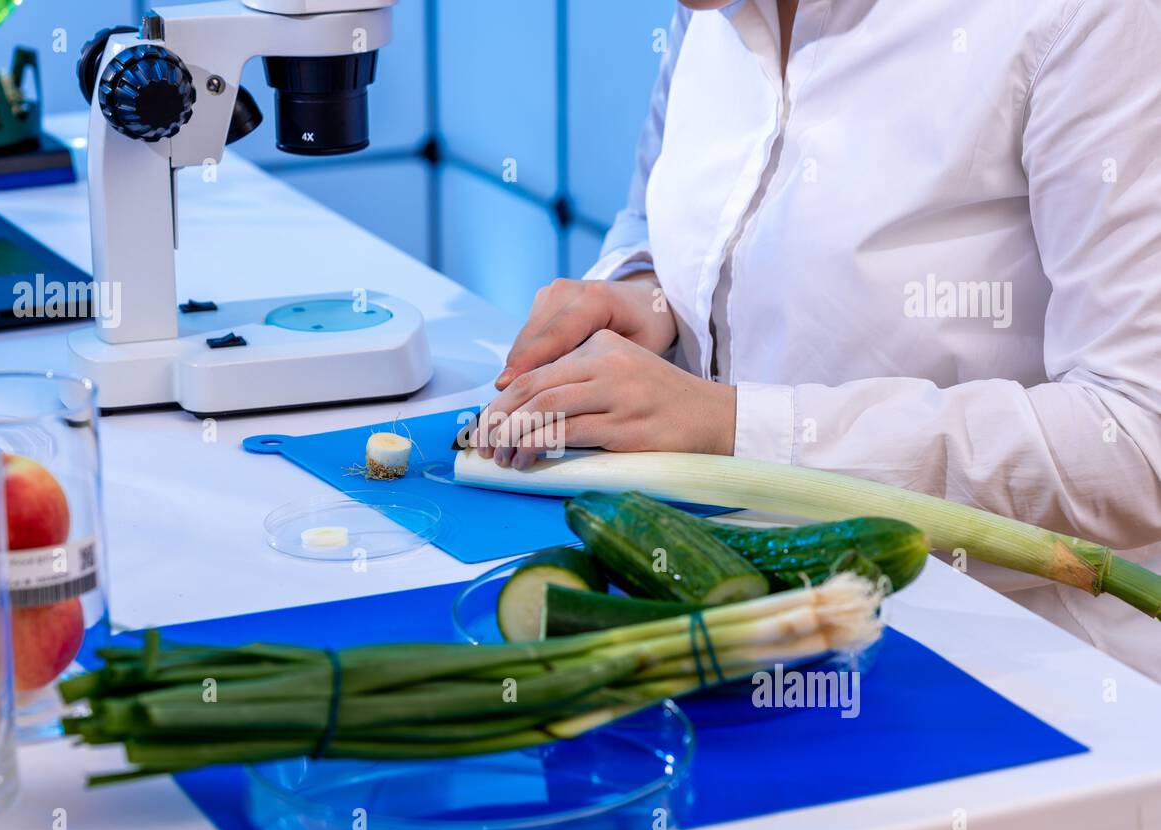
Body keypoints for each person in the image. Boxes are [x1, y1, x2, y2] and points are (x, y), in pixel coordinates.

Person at [471, 0, 1161, 679]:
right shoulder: (705, 9)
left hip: (1018, 667)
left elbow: (1136, 438)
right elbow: (652, 213)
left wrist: (738, 426)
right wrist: (646, 292)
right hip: (746, 621)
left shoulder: (1090, 18)